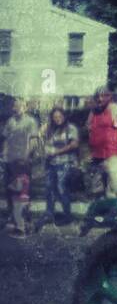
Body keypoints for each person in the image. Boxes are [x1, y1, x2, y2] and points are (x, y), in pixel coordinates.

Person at [86, 87, 117, 196]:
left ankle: (114, 212)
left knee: (114, 188)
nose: (100, 99)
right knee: (96, 190)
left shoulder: (116, 110)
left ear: (110, 97)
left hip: (113, 156)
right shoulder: (93, 112)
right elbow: (88, 128)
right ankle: (101, 211)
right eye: (97, 97)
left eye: (103, 96)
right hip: (96, 156)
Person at [3, 100, 40, 236]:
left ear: (25, 107)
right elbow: (6, 139)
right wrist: (4, 154)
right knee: (9, 188)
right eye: (15, 106)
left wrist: (27, 156)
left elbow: (34, 140)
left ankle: (25, 218)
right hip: (10, 160)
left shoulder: (30, 121)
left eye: (20, 106)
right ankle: (12, 216)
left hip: (23, 161)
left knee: (23, 190)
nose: (17, 108)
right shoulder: (10, 121)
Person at [41, 106, 80, 227]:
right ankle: (49, 214)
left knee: (61, 188)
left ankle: (68, 216)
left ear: (64, 116)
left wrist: (57, 152)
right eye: (55, 117)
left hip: (65, 163)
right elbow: (44, 140)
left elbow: (74, 144)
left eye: (59, 116)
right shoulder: (52, 129)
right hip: (51, 163)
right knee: (49, 188)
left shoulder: (70, 128)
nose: (57, 119)